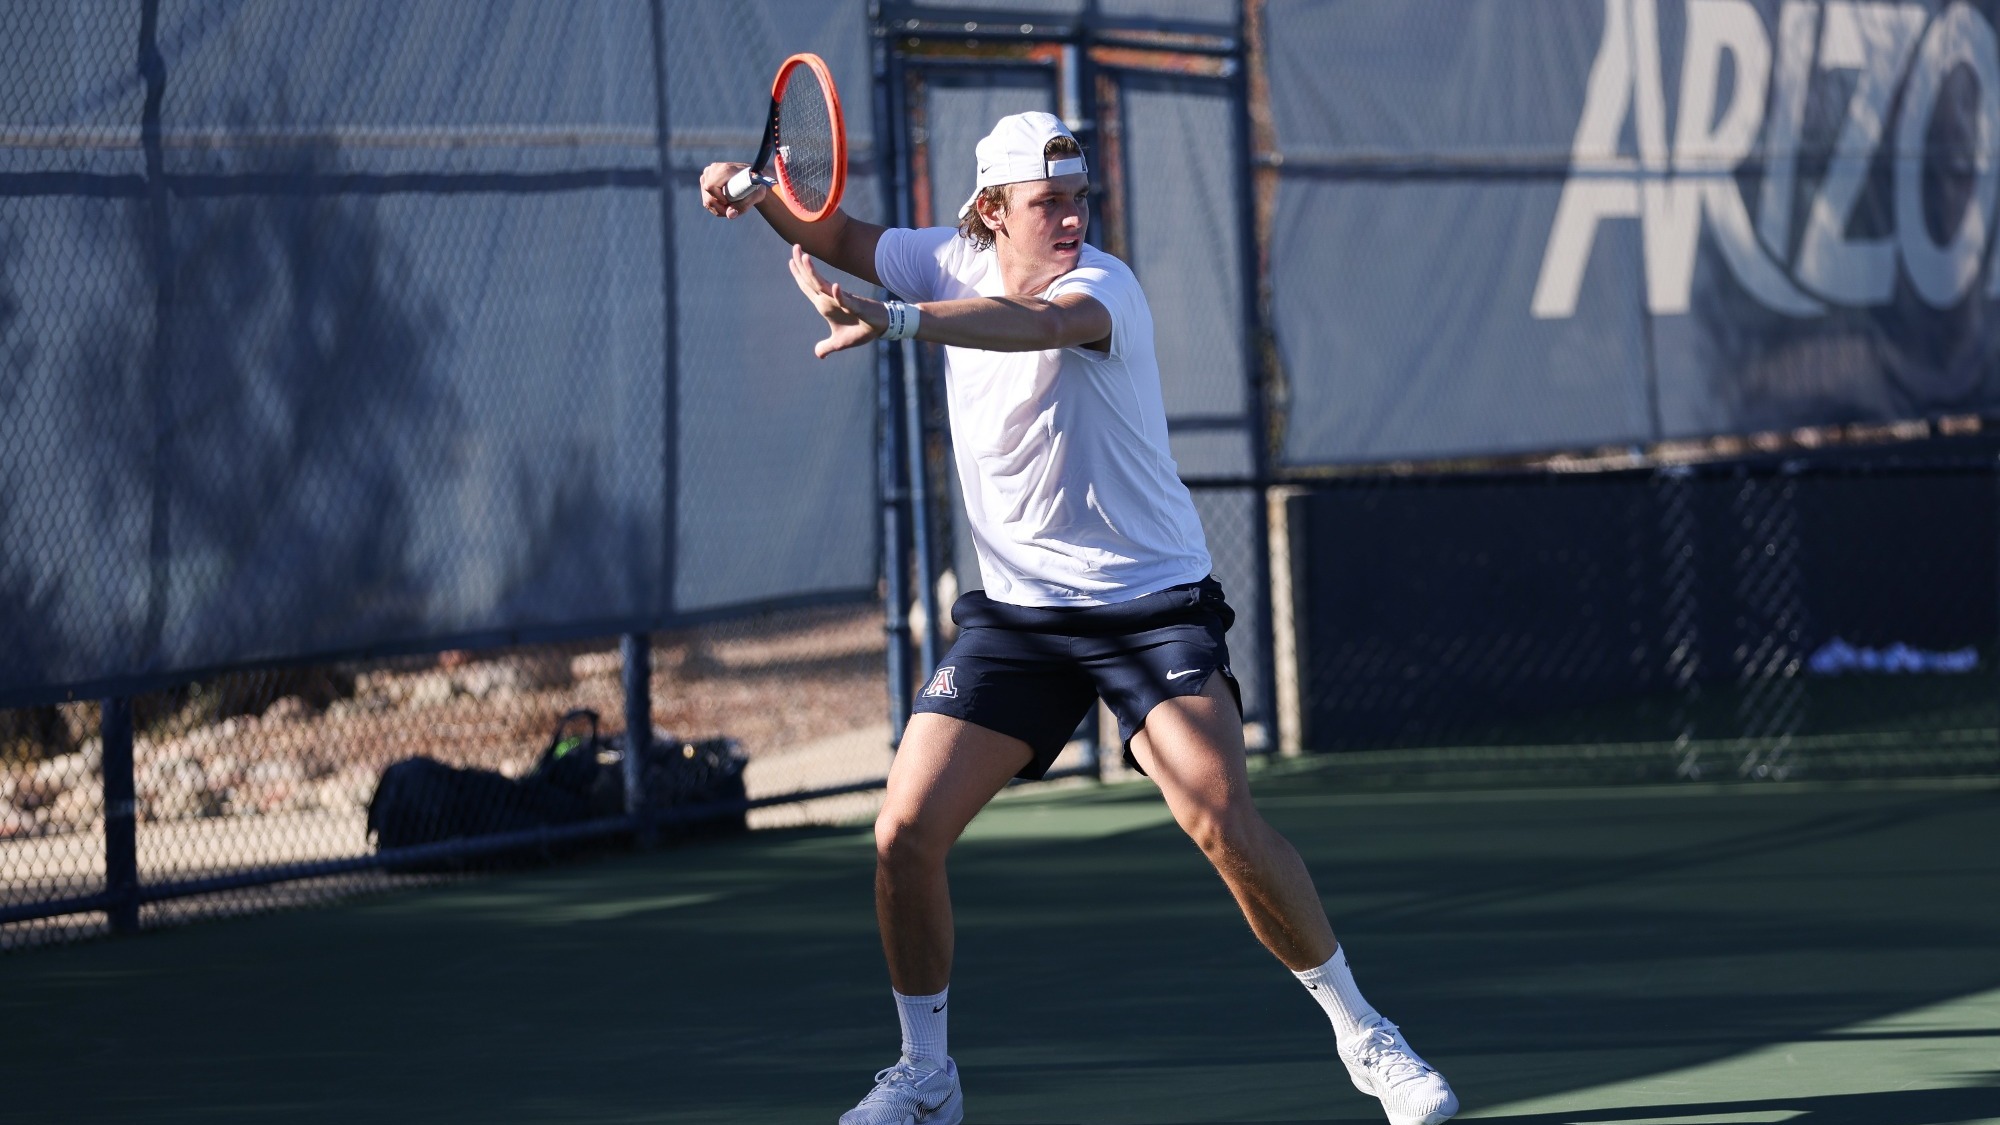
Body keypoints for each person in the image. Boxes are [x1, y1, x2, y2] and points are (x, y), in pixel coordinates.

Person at [700, 111, 1457, 1125]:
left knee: (1218, 819)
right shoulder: (937, 256)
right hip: (1017, 621)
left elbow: (1035, 328)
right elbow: (833, 237)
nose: (1068, 219)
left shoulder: (1101, 287)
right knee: (901, 835)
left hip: (1149, 611)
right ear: (989, 211)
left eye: (1077, 199)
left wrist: (900, 322)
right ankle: (925, 1076)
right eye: (1045, 203)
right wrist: (759, 200)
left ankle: (1365, 1037)